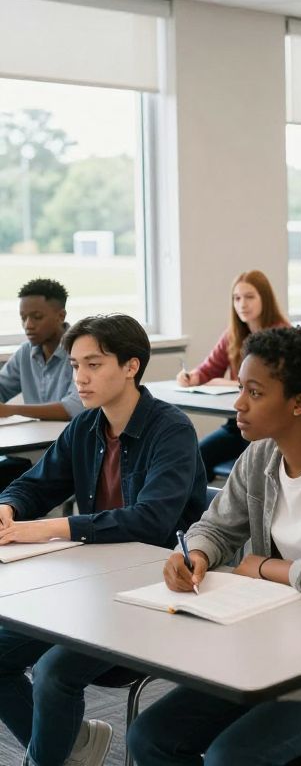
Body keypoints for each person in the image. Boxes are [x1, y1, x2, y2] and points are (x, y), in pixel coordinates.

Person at [128, 326, 301, 766]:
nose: (239, 403)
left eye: (255, 393)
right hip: (278, 647)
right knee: (151, 736)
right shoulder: (260, 455)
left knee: (232, 757)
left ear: (299, 403)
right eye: (241, 388)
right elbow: (217, 527)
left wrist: (261, 567)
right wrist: (197, 555)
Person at [0, 314, 207, 766]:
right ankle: (72, 745)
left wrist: (55, 527)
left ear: (131, 366)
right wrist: (9, 507)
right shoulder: (86, 425)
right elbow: (35, 484)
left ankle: (52, 753)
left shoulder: (170, 429)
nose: (80, 378)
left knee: (55, 671)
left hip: (155, 593)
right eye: (75, 366)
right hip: (92, 586)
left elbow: (151, 522)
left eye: (93, 365)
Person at [177, 270, 289, 480]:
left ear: (265, 299)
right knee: (194, 460)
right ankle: (200, 512)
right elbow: (208, 370)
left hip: (268, 429)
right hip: (236, 425)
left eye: (249, 297)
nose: (242, 304)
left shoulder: (282, 335)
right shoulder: (233, 334)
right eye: (237, 298)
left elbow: (276, 384)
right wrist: (191, 377)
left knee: (250, 471)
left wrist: (230, 385)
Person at [0, 279, 84, 490]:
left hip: (70, 451)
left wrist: (9, 410)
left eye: (37, 317)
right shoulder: (25, 353)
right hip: (33, 450)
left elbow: (73, 407)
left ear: (61, 316)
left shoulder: (80, 350)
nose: (28, 325)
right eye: (23, 318)